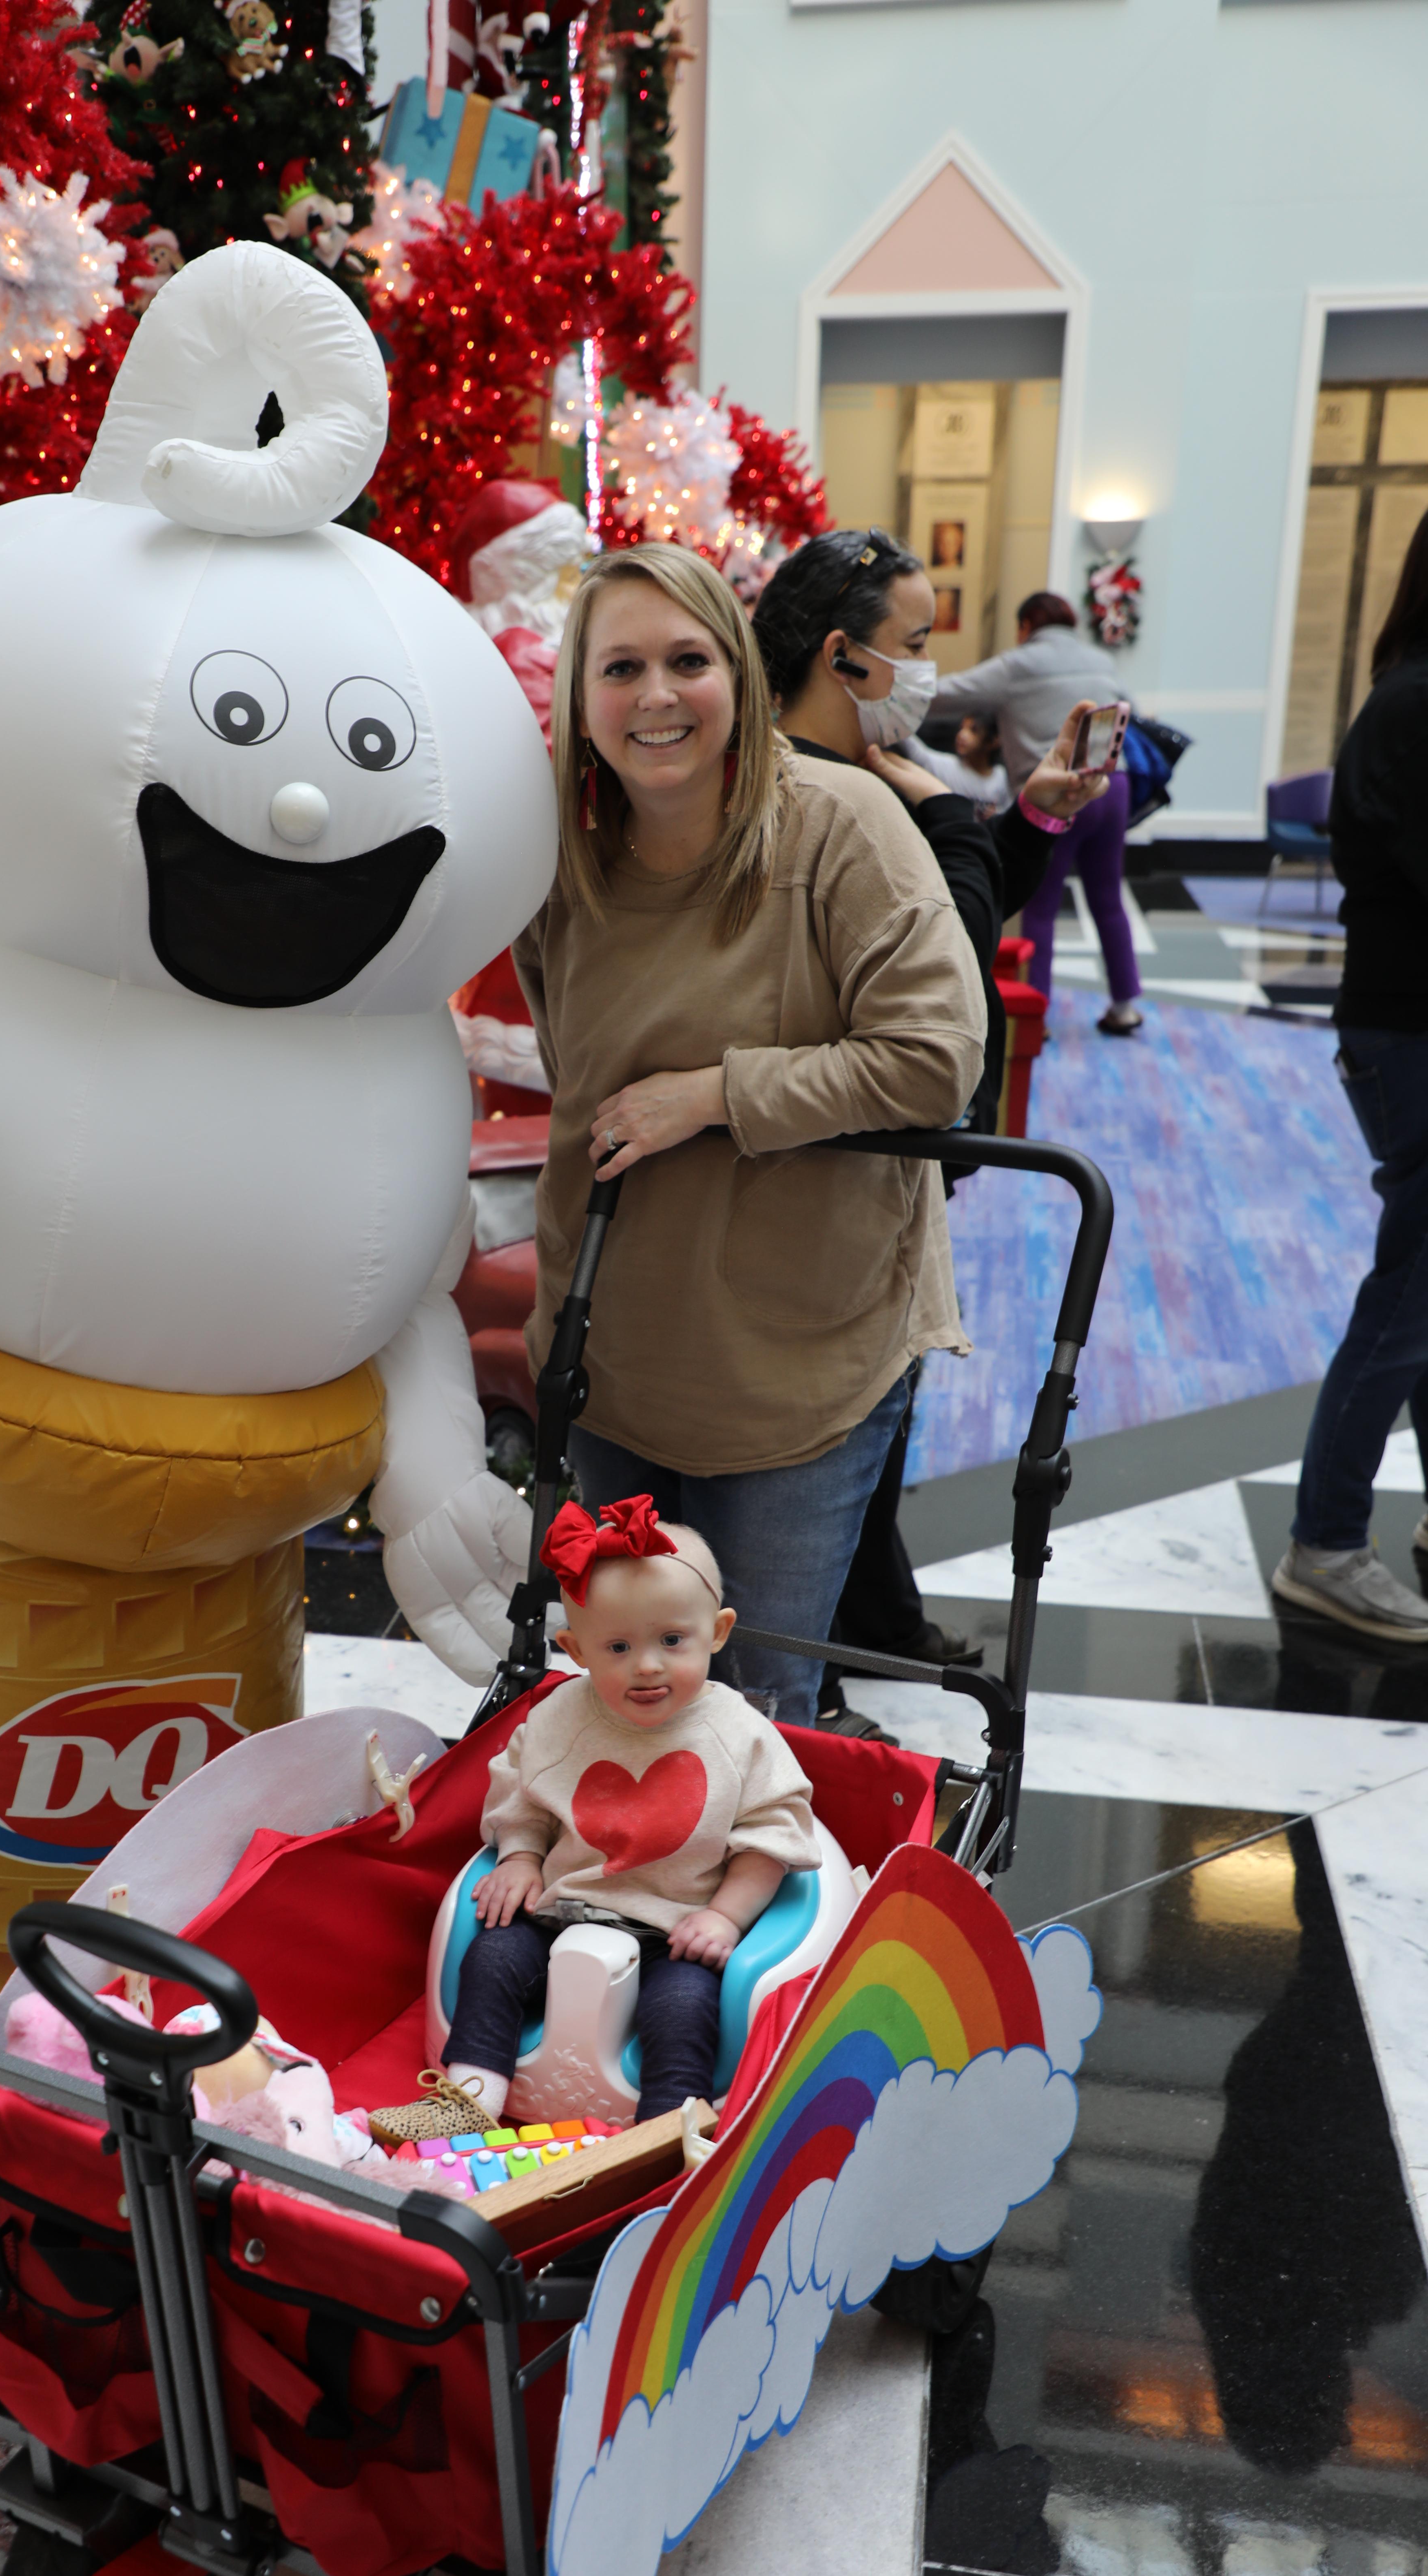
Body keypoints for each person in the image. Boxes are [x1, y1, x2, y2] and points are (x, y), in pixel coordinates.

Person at [513, 540, 988, 1729]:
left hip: (795, 1363)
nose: (656, 696)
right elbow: (576, 1069)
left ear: (737, 669)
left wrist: (715, 1094)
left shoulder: (839, 824)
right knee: (628, 1695)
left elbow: (936, 1057)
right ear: (578, 696)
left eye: (686, 660)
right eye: (619, 667)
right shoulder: (558, 856)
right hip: (613, 1351)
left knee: (757, 1706)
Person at [751, 529, 1111, 1704]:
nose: (928, 670)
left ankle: (873, 1621)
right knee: (850, 1416)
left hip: (878, 1154)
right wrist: (957, 819)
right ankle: (827, 1677)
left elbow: (948, 900)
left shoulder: (868, 779)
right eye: (913, 645)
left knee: (878, 1407)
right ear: (843, 656)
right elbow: (941, 959)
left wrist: (1025, 823)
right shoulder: (828, 791)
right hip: (839, 1157)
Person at [440, 1497, 824, 2122]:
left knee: (684, 2012)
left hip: (675, 1931)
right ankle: (468, 2097)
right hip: (560, 1911)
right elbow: (524, 1795)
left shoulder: (741, 1735)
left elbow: (770, 1840)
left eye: (673, 1641)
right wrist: (520, 1857)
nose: (647, 1666)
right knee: (492, 1959)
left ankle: (665, 2131)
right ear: (576, 1649)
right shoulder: (560, 1718)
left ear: (718, 1632)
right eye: (617, 1647)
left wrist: (725, 1919)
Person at [1275, 505, 1428, 1643]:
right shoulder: (1416, 701)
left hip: (1406, 1026)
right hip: (1412, 1029)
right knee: (1410, 1294)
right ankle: (1325, 1541)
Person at [927, 592, 1143, 1036]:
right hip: (1111, 787)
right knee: (1107, 899)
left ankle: (1036, 1015)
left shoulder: (1017, 665)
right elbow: (1131, 713)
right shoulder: (1099, 659)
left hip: (1057, 792)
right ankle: (1124, 1007)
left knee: (1040, 907)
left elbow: (946, 696)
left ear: (1026, 626)